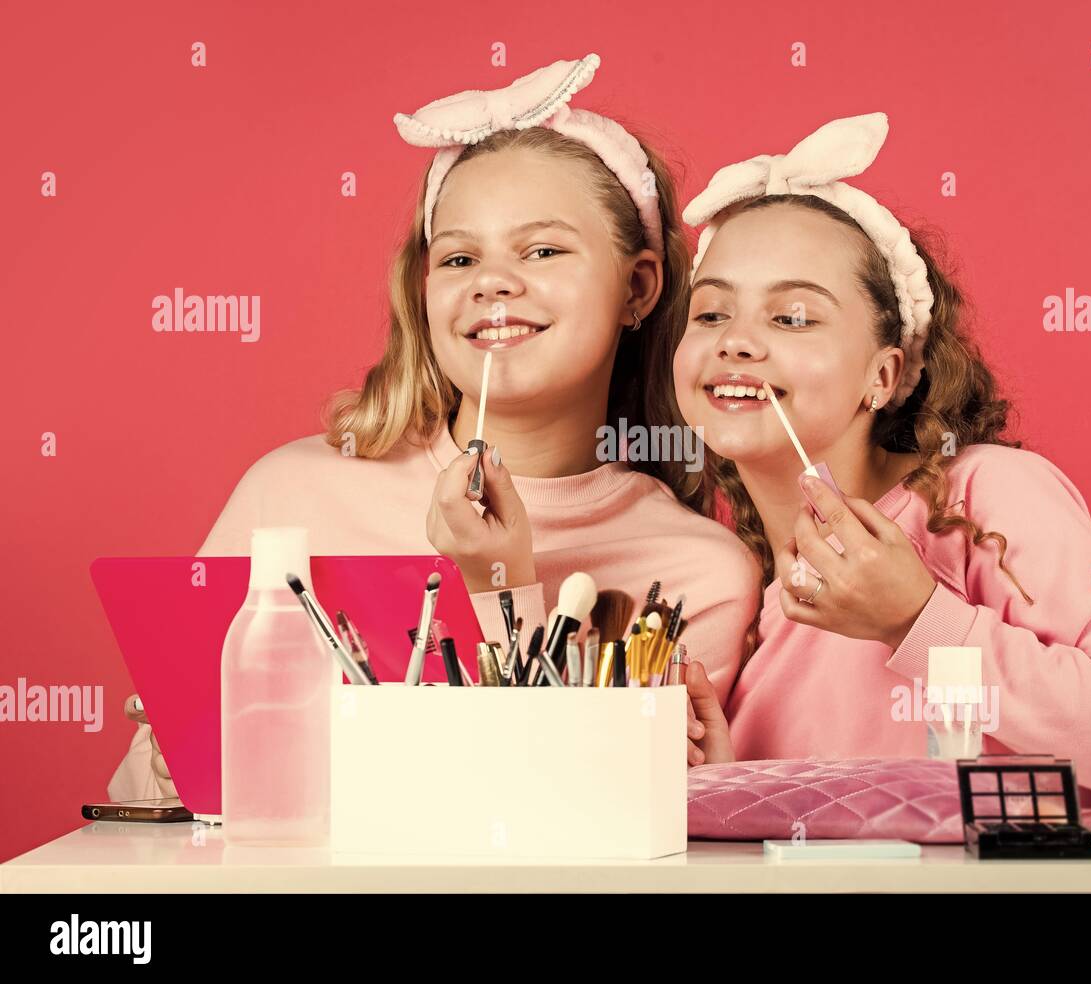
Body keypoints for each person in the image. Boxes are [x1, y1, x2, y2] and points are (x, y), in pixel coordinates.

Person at [108, 54, 759, 802]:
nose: (491, 282)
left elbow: (560, 827)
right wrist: (171, 775)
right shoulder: (286, 495)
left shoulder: (699, 574)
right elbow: (137, 807)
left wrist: (502, 586)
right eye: (458, 257)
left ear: (637, 287)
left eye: (543, 250)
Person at [673, 114, 1091, 808]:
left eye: (793, 317)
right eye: (711, 314)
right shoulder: (734, 591)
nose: (737, 341)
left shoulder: (981, 500)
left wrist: (918, 620)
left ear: (885, 375)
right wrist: (725, 779)